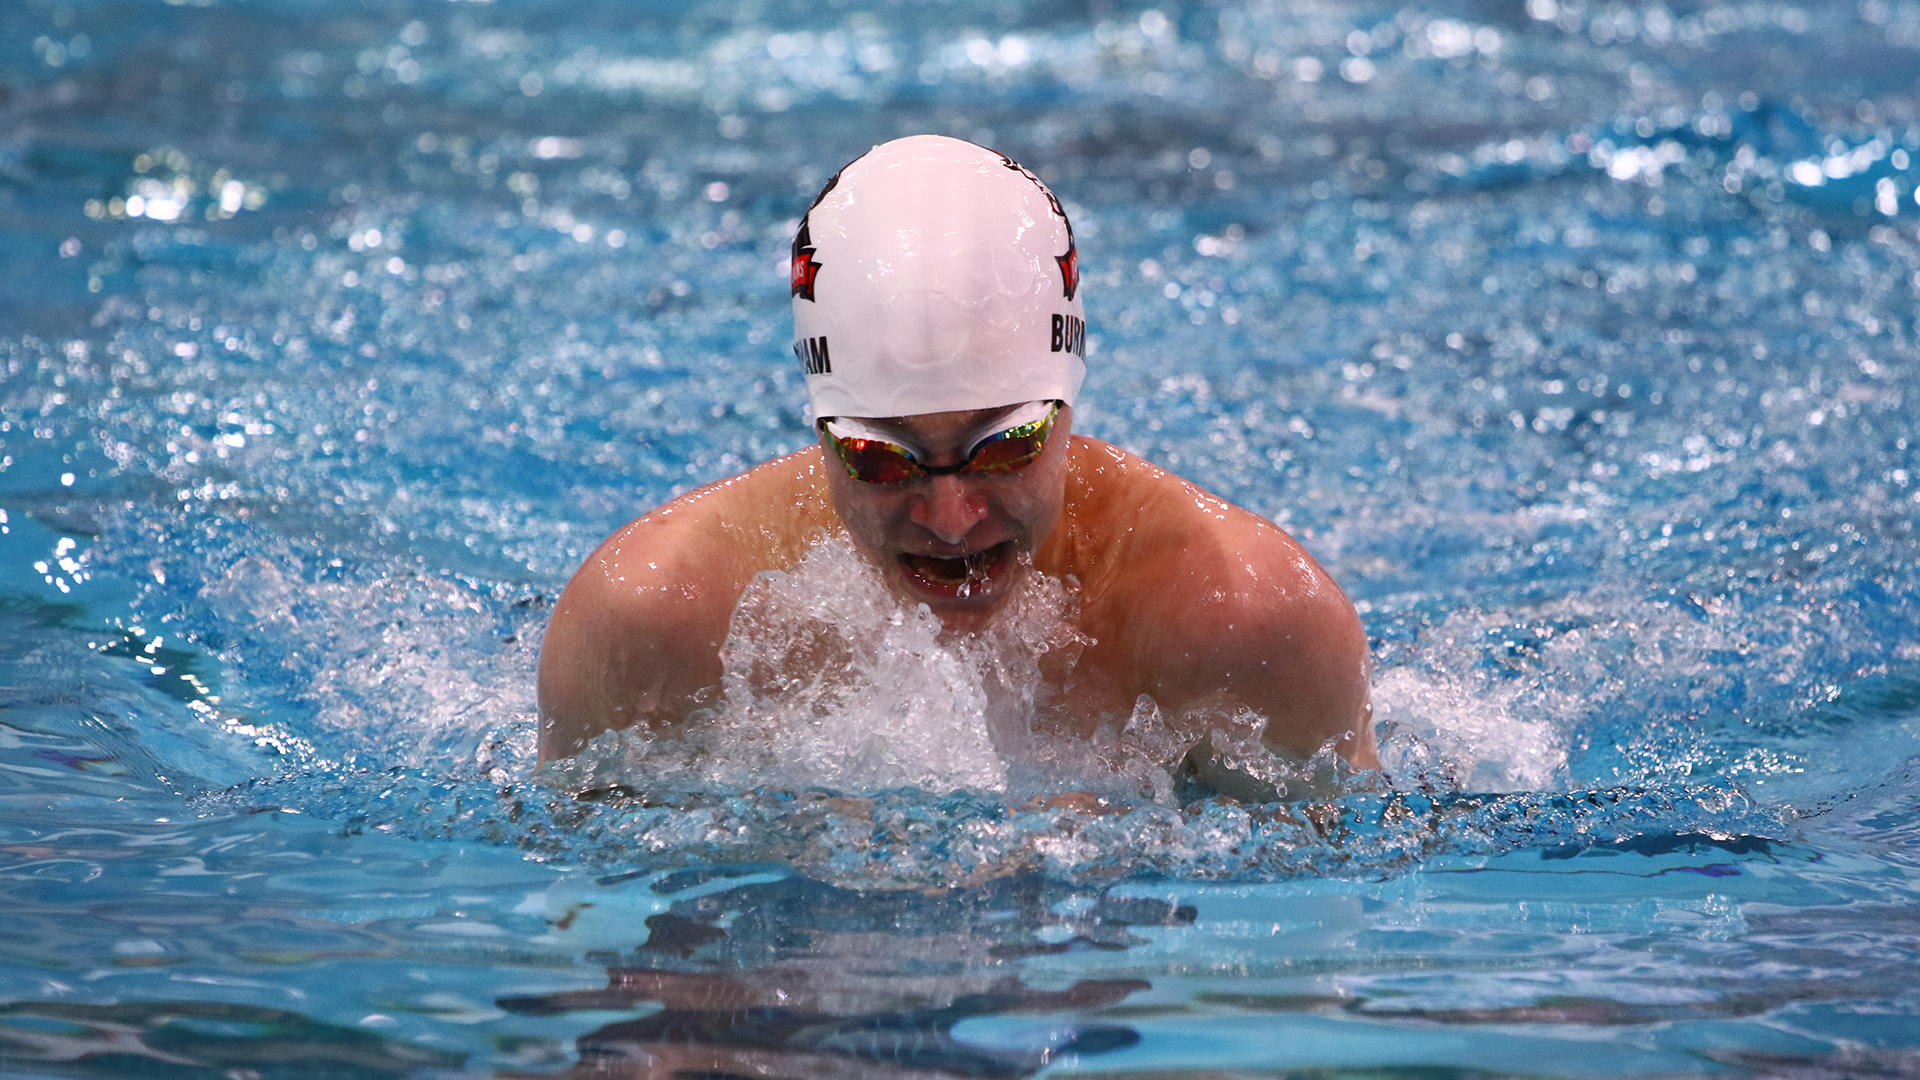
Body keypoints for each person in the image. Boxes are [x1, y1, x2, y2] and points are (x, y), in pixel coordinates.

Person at [537, 135, 1376, 777]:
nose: (951, 517)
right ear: (822, 434)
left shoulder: (1245, 626)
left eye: (1003, 448)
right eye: (881, 459)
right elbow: (576, 931)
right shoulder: (654, 625)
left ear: (1066, 408)